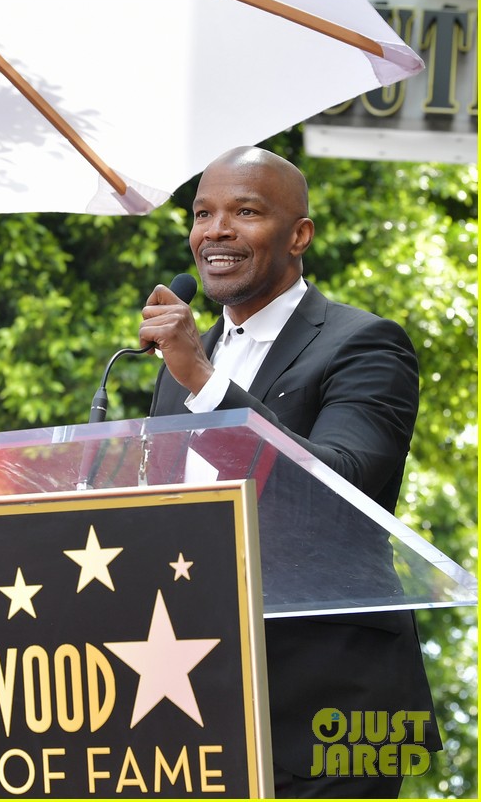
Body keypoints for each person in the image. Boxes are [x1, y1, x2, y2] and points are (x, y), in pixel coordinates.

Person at [141, 146, 440, 797]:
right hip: (195, 691)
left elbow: (339, 485)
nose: (215, 230)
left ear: (299, 234)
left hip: (331, 705)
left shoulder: (364, 344)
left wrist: (204, 381)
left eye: (244, 211)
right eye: (202, 213)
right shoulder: (183, 367)